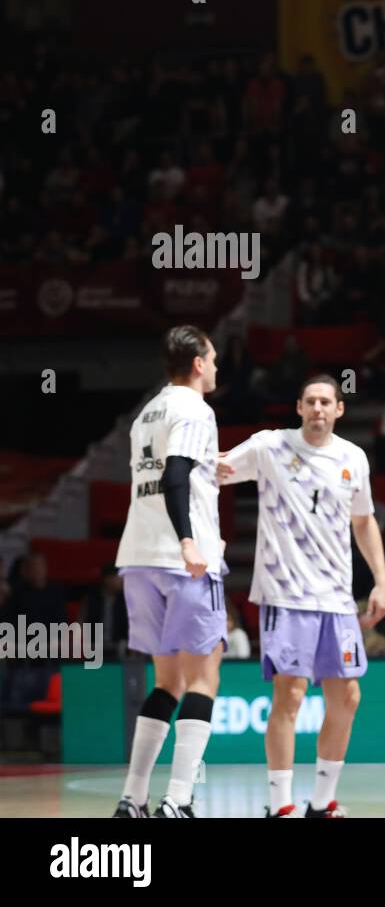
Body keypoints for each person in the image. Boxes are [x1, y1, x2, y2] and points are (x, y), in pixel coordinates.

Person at [219, 374, 385, 818]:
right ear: (298, 407)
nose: (317, 409)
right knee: (290, 694)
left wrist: (382, 578)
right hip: (287, 593)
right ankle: (280, 806)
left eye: (325, 402)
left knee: (347, 697)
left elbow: (364, 521)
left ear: (339, 410)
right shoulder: (269, 447)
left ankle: (321, 801)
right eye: (310, 401)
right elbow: (216, 471)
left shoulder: (353, 458)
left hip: (336, 598)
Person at [112, 325, 226, 818]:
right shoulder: (194, 408)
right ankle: (178, 799)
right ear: (198, 363)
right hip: (184, 559)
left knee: (167, 682)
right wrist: (187, 539)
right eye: (214, 359)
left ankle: (132, 797)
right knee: (204, 676)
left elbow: (169, 470)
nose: (217, 367)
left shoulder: (147, 412)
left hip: (138, 557)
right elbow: (175, 474)